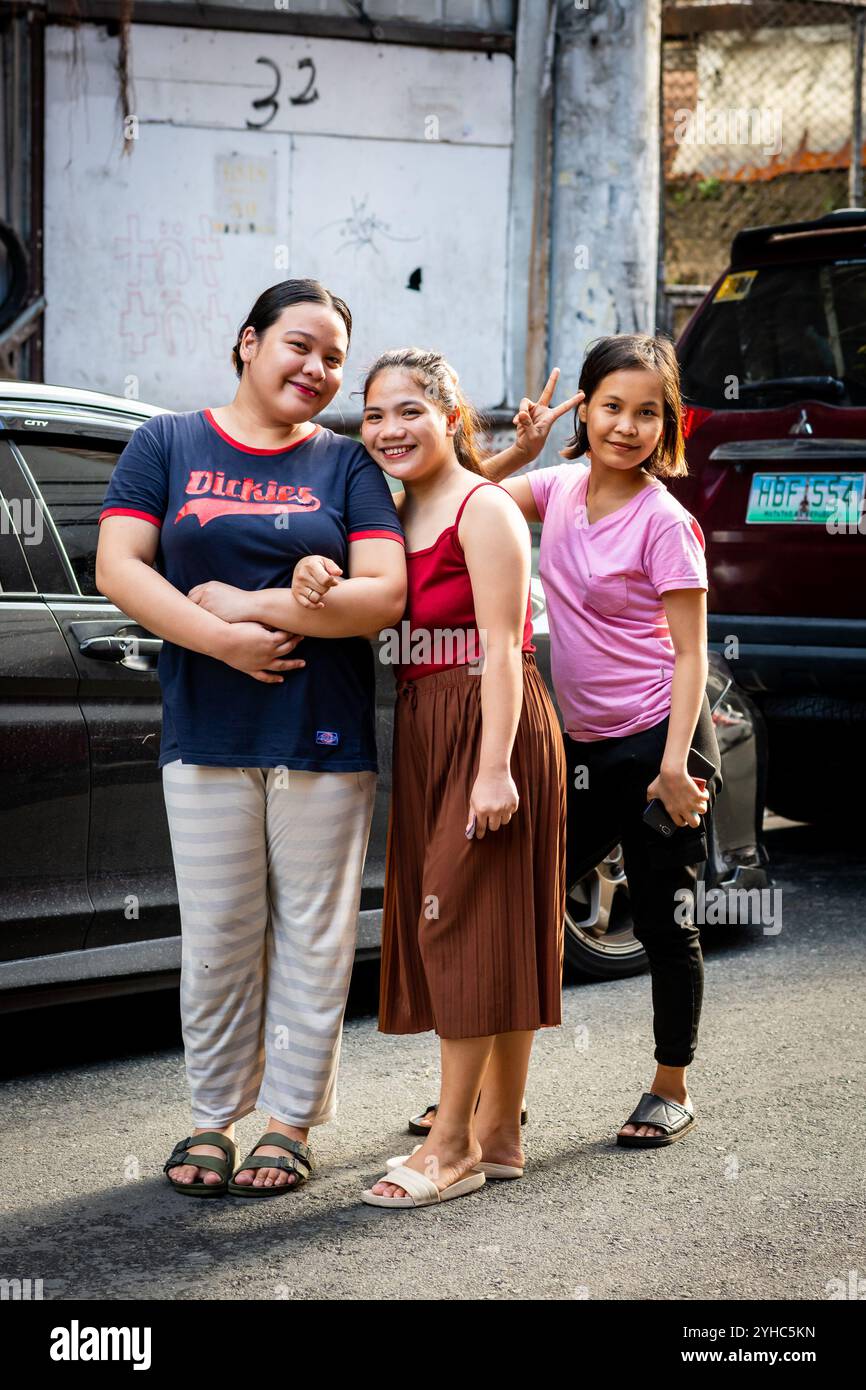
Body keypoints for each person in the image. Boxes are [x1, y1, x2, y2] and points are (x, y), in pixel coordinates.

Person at [95, 278, 406, 1197]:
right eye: (299, 345)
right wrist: (220, 640)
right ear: (248, 342)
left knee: (314, 934)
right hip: (205, 726)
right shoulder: (168, 442)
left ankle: (288, 1122)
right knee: (220, 932)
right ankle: (212, 1118)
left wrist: (249, 605)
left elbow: (381, 596)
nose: (317, 368)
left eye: (334, 358)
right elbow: (121, 566)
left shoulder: (346, 466)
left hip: (322, 732)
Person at [292, 348, 568, 1208]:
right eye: (373, 415)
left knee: (466, 926)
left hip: (492, 725)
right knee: (491, 925)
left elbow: (501, 647)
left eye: (408, 410)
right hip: (424, 724)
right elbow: (361, 594)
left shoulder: (484, 510)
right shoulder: (387, 508)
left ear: (450, 415)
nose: (386, 429)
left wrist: (494, 770)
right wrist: (314, 572)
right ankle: (500, 1134)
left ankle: (449, 1147)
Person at [481, 333, 722, 1147]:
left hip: (661, 739)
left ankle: (670, 1087)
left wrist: (671, 769)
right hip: (581, 745)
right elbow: (469, 502)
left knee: (663, 920)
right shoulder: (558, 487)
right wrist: (516, 449)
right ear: (585, 408)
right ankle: (492, 1091)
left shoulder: (667, 523)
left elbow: (691, 654)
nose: (627, 426)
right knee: (523, 901)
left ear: (668, 422)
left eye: (647, 412)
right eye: (611, 406)